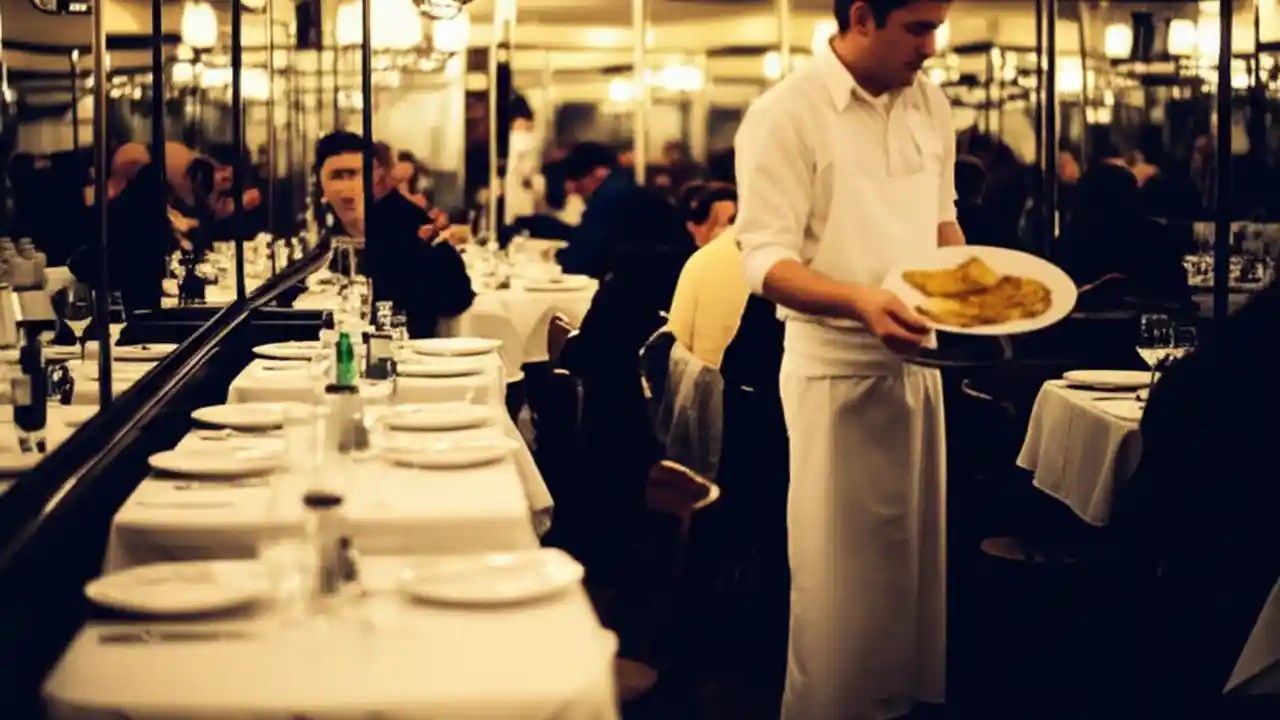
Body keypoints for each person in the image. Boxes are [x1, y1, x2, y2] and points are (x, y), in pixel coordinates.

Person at [735, 1, 956, 717]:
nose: (932, 45)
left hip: (922, 364)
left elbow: (941, 219)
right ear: (862, 16)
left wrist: (974, 290)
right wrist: (861, 301)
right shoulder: (788, 112)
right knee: (839, 589)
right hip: (834, 371)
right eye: (918, 27)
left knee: (907, 582)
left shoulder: (930, 102)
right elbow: (764, 259)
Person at [314, 131, 473, 337]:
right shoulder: (329, 235)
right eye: (337, 176)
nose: (347, 188)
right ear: (322, 184)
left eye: (354, 174)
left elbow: (458, 295)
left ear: (374, 177)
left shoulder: (405, 218)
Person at [666, 183, 744, 370]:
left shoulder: (705, 262)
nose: (725, 232)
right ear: (692, 227)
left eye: (732, 222)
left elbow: (676, 342)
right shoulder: (694, 263)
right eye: (720, 225)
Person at [556, 143, 644, 278]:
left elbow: (582, 260)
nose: (582, 196)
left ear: (598, 174)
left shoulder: (608, 199)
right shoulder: (627, 188)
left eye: (580, 187)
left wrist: (556, 256)